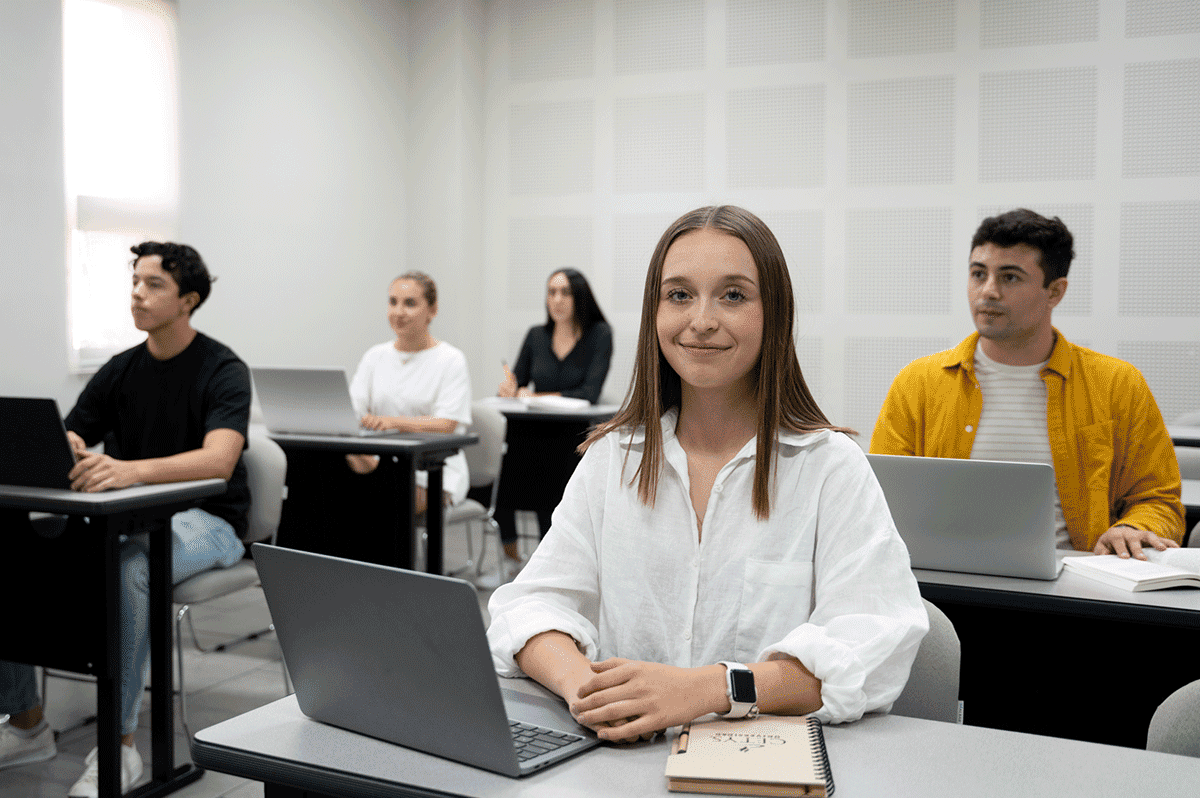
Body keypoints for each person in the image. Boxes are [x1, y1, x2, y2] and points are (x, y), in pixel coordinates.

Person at [486, 206, 928, 742]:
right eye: (679, 295)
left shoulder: (829, 467)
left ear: (775, 313)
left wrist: (709, 689)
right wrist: (588, 690)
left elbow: (874, 645)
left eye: (733, 295)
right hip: (617, 760)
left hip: (765, 765)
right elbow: (531, 607)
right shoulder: (612, 459)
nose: (701, 320)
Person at [0, 242, 251, 796]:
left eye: (153, 284)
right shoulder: (121, 369)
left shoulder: (223, 368)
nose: (137, 293)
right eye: (135, 281)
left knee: (132, 567)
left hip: (209, 521)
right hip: (128, 516)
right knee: (11, 553)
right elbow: (72, 432)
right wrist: (67, 444)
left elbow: (220, 460)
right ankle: (26, 724)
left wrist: (130, 471)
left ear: (188, 300)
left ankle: (121, 747)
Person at [870, 208, 1184, 558]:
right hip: (945, 575)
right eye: (978, 274)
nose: (988, 291)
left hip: (1077, 578)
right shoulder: (918, 383)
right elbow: (877, 496)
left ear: (1055, 292)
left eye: (1010, 277)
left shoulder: (1117, 384)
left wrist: (1132, 528)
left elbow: (1158, 500)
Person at [491, 269, 613, 569]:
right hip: (528, 429)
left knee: (553, 500)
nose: (557, 299)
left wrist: (534, 396)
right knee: (503, 486)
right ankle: (513, 560)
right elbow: (517, 382)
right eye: (551, 292)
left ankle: (551, 564)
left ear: (580, 297)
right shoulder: (536, 335)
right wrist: (509, 389)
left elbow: (590, 392)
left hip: (572, 433)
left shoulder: (599, 334)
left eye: (565, 292)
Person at [345, 271, 472, 511]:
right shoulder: (375, 356)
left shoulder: (450, 360)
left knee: (385, 497)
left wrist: (390, 422)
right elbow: (353, 410)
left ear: (432, 310)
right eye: (393, 302)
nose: (398, 312)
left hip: (433, 469)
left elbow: (446, 424)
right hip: (380, 461)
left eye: (410, 303)